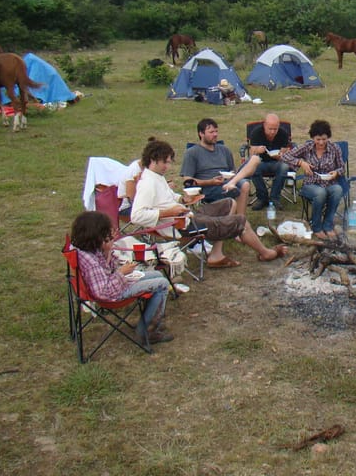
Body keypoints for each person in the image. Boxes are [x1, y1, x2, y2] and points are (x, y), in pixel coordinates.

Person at [131, 140, 288, 267]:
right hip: (179, 225)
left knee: (229, 203)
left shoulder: (157, 176)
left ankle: (216, 255)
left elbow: (168, 197)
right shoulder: (148, 183)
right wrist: (168, 213)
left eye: (169, 162)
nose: (168, 166)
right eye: (165, 162)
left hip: (186, 215)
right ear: (152, 159)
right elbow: (137, 216)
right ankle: (266, 253)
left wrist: (182, 199)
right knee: (240, 220)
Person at [71, 210, 174, 346]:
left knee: (157, 274)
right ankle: (146, 332)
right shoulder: (90, 261)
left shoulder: (88, 250)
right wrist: (121, 273)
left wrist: (108, 250)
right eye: (105, 235)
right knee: (162, 284)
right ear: (95, 235)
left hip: (113, 284)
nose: (108, 237)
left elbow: (108, 269)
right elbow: (104, 291)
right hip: (112, 294)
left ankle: (151, 317)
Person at [180, 118, 260, 216]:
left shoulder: (224, 150)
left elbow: (232, 171)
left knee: (254, 160)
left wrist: (231, 176)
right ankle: (237, 223)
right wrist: (210, 182)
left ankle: (240, 220)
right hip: (209, 188)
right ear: (201, 134)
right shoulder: (192, 153)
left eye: (216, 131)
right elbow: (187, 180)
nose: (215, 134)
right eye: (211, 132)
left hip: (228, 182)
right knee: (239, 186)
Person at [282, 119, 345, 239]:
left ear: (328, 137)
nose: (321, 142)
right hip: (310, 184)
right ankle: (316, 226)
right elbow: (285, 156)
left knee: (337, 190)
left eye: (324, 139)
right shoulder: (307, 147)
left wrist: (336, 173)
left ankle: (328, 225)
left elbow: (341, 167)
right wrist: (301, 162)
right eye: (318, 139)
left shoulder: (334, 148)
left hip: (329, 182)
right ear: (313, 138)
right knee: (320, 193)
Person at [248, 113, 292, 211]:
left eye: (275, 129)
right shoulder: (256, 133)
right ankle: (262, 197)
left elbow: (284, 154)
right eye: (270, 129)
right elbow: (251, 153)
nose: (272, 132)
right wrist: (257, 150)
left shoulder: (283, 134)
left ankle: (274, 197)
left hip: (276, 163)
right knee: (252, 166)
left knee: (284, 166)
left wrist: (280, 156)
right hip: (261, 162)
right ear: (264, 125)